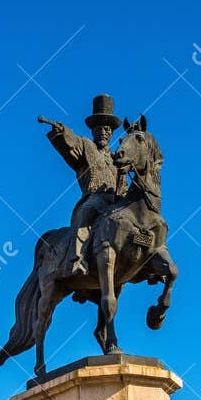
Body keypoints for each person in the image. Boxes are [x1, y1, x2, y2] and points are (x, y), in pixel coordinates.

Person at [38, 94, 127, 276]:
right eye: (99, 129)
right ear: (93, 132)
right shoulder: (86, 146)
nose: (103, 132)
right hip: (95, 199)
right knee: (86, 212)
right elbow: (71, 144)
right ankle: (77, 258)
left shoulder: (116, 158)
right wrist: (62, 132)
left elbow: (123, 186)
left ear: (111, 133)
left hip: (116, 204)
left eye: (107, 129)